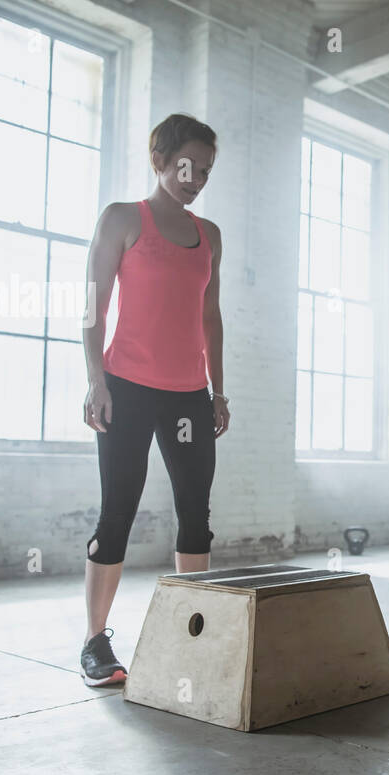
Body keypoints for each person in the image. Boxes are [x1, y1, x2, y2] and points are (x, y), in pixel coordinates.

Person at [79, 114, 229, 686]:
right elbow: (92, 306)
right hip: (127, 389)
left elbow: (210, 317)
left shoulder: (209, 235)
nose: (197, 178)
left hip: (189, 396)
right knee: (117, 512)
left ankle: (191, 633)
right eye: (189, 165)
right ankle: (95, 642)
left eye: (207, 171)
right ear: (161, 159)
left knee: (196, 516)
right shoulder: (122, 219)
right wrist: (96, 379)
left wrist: (218, 388)